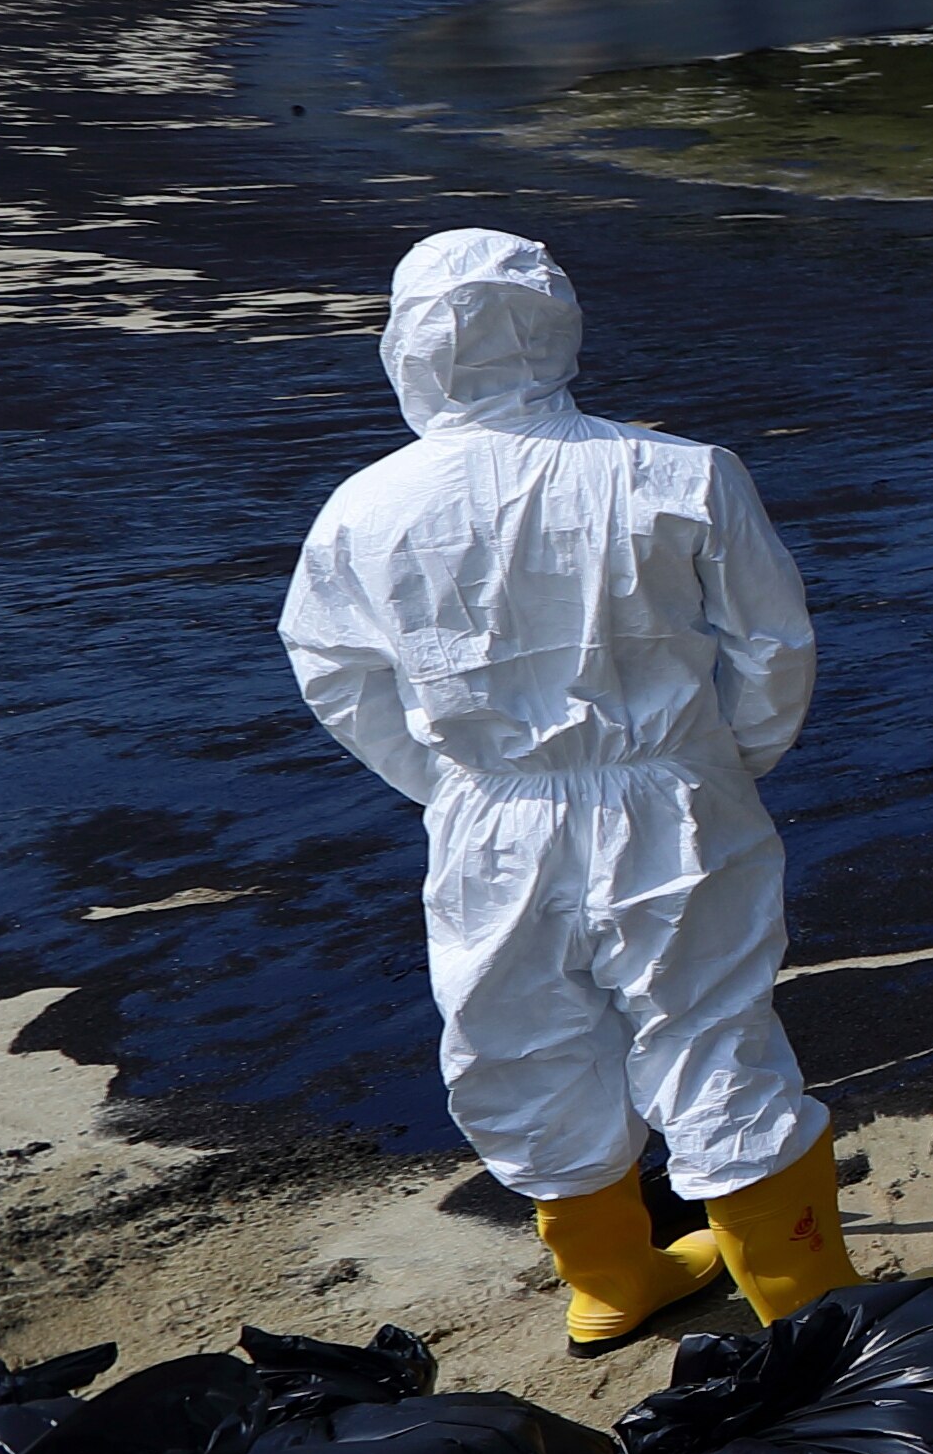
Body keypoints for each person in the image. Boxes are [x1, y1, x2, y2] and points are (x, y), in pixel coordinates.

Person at [280, 230, 859, 1350]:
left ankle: (609, 1281)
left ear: (404, 346)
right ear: (557, 327)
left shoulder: (364, 506)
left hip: (490, 817)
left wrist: (447, 784)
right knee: (709, 1030)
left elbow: (338, 677)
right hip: (672, 799)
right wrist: (726, 762)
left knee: (522, 1038)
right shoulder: (681, 470)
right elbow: (773, 644)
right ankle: (806, 1307)